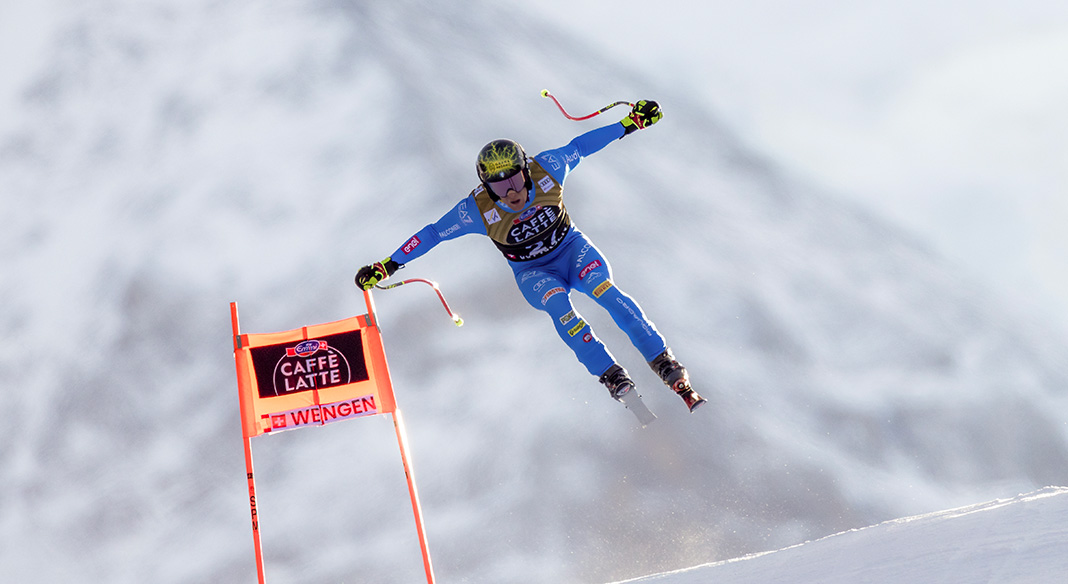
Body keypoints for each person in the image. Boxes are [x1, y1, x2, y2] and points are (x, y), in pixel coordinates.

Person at [356, 100, 704, 412]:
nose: (510, 191)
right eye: (499, 186)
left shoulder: (547, 167)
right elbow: (432, 233)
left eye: (515, 179)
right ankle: (611, 375)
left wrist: (630, 124)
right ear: (485, 185)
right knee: (562, 311)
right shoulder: (474, 209)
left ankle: (664, 360)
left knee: (606, 293)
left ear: (526, 168)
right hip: (535, 273)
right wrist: (389, 265)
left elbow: (580, 147)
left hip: (573, 252)